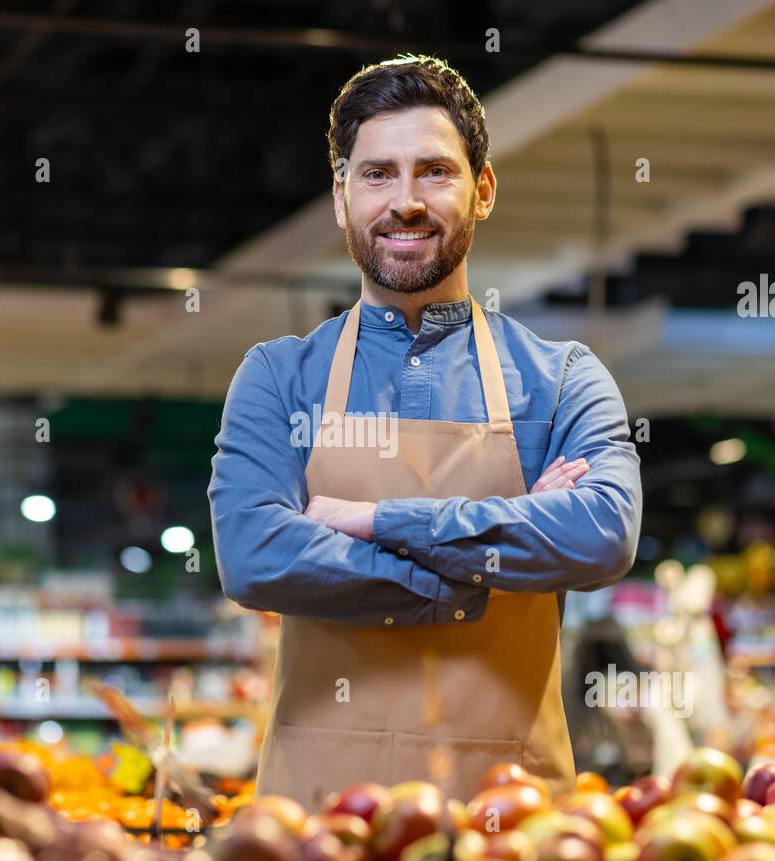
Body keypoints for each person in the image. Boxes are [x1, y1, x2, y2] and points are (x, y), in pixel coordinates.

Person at [208, 54, 642, 809]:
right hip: (316, 829)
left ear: (483, 191)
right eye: (376, 175)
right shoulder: (278, 376)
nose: (404, 201)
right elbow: (253, 556)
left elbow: (603, 533)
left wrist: (374, 520)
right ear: (341, 198)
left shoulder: (563, 378)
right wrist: (474, 573)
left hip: (513, 828)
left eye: (434, 172)